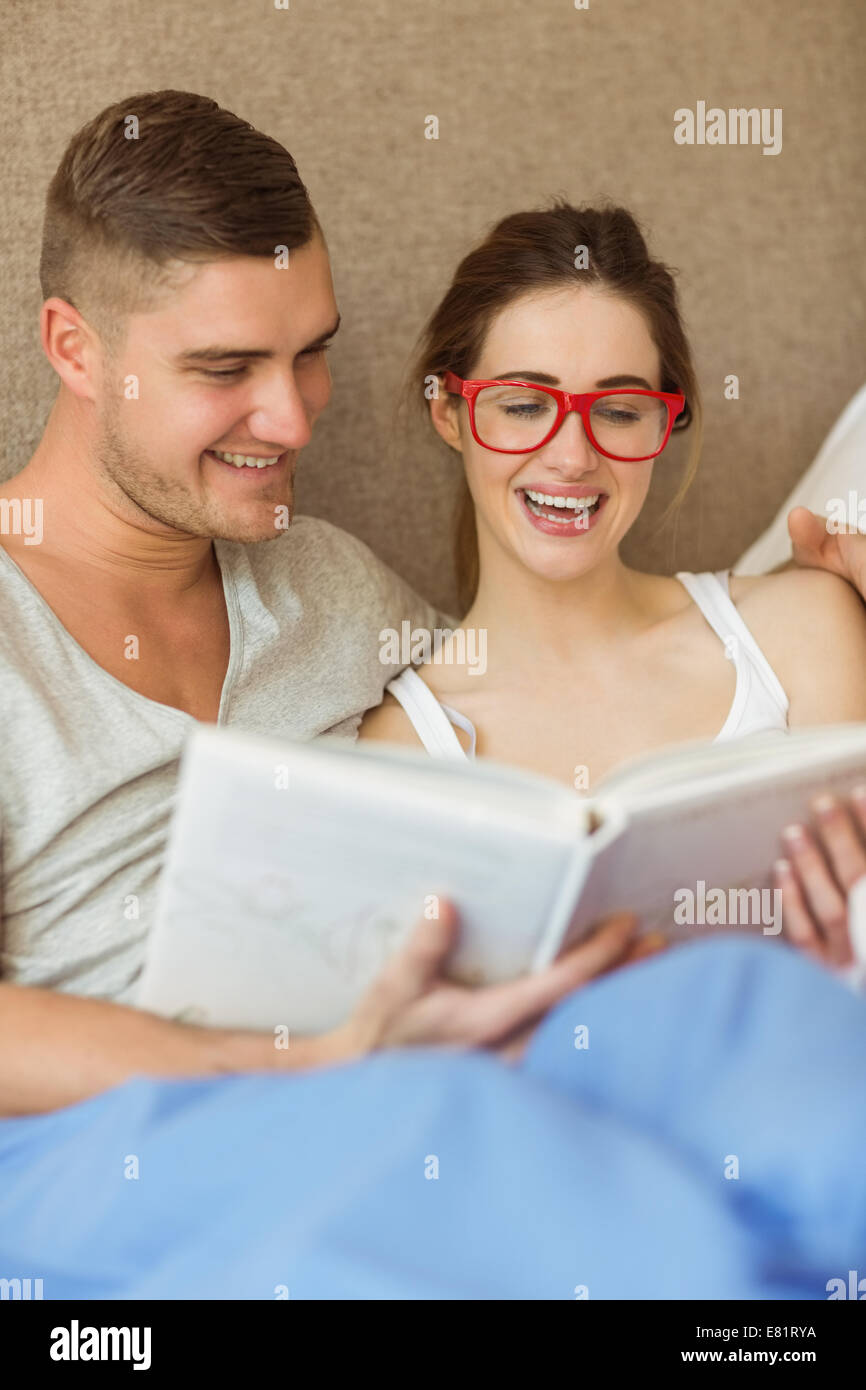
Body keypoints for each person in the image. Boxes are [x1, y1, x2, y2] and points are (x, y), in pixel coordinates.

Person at [0, 91, 639, 1117]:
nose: (292, 419)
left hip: (396, 1113)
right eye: (225, 369)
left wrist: (809, 609)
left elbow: (569, 708)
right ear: (77, 351)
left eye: (310, 352)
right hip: (107, 1161)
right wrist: (325, 1061)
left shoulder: (326, 581)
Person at [359, 206, 866, 964]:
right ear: (452, 413)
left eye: (620, 410)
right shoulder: (401, 749)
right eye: (526, 405)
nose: (572, 456)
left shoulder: (802, 630)